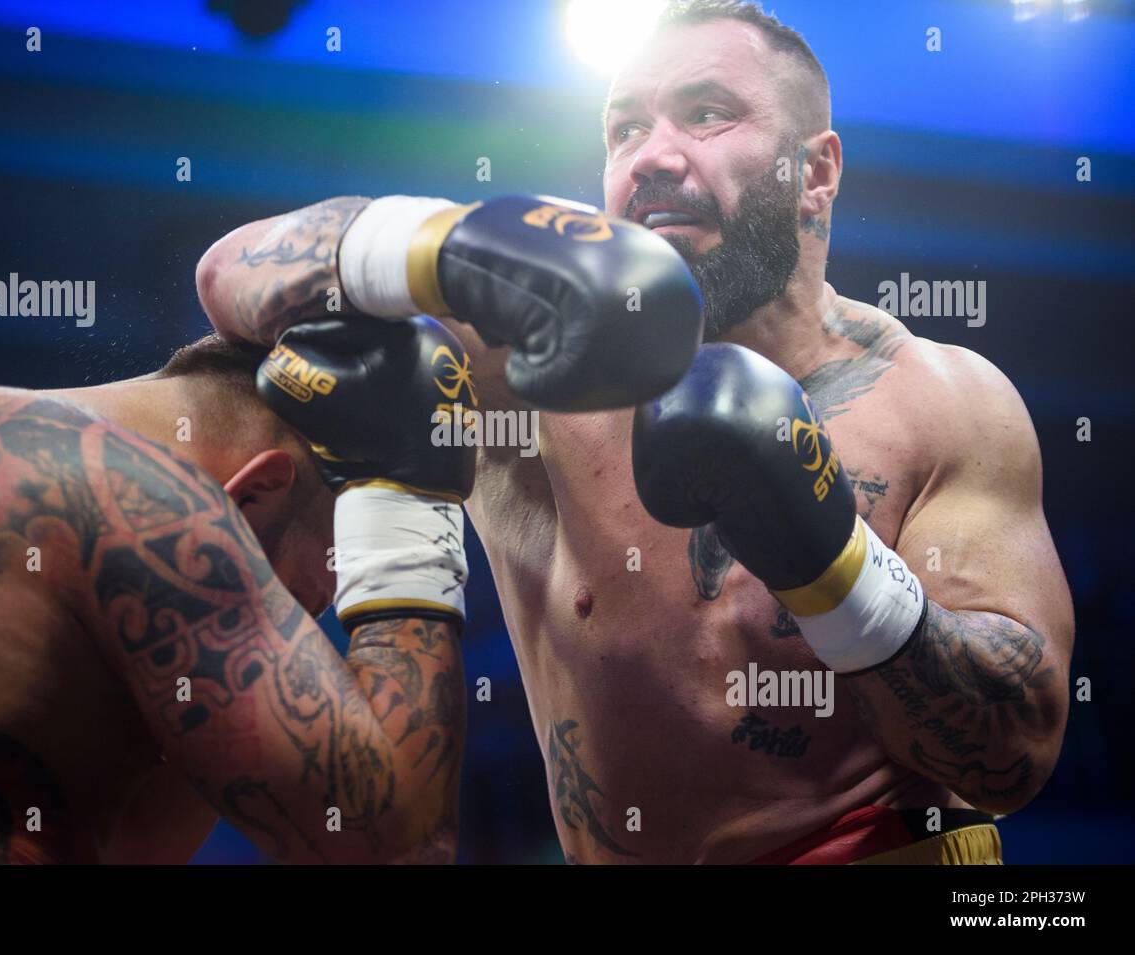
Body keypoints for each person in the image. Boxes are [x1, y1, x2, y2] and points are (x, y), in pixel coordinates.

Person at [197, 0, 1073, 864]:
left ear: (816, 172)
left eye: (705, 114)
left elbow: (1014, 753)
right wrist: (438, 247)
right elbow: (230, 275)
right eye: (622, 131)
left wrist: (837, 571)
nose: (651, 157)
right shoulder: (527, 374)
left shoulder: (943, 400)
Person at [0, 320, 472, 864]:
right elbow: (399, 843)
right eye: (324, 587)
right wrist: (411, 518)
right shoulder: (149, 500)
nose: (311, 623)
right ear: (254, 497)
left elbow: (130, 846)